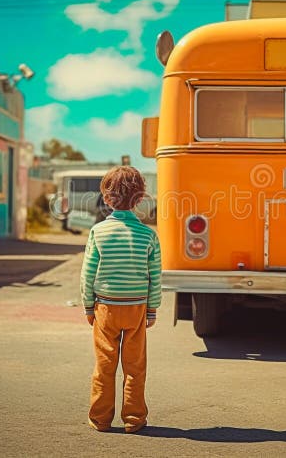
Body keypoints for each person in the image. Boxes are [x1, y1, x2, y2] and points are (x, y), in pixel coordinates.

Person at [79, 166, 162, 434]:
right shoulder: (149, 235)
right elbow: (154, 277)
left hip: (106, 307)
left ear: (106, 198)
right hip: (136, 308)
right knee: (135, 367)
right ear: (140, 200)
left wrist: (88, 306)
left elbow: (88, 272)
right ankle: (134, 419)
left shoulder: (98, 232)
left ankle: (101, 419)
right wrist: (152, 310)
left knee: (105, 365)